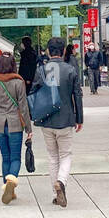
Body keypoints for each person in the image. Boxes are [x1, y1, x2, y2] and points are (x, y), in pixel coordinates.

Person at [35, 37, 83, 208]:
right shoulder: (70, 69)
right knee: (65, 155)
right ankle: (61, 182)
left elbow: (34, 91)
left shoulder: (41, 70)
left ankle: (56, 193)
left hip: (47, 120)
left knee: (52, 156)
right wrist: (79, 118)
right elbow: (77, 94)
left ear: (48, 51)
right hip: (66, 118)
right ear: (63, 51)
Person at [0, 53, 31, 204]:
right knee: (15, 158)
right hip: (15, 124)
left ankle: (8, 189)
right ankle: (11, 183)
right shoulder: (18, 83)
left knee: (5, 158)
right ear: (13, 65)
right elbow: (23, 107)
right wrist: (29, 128)